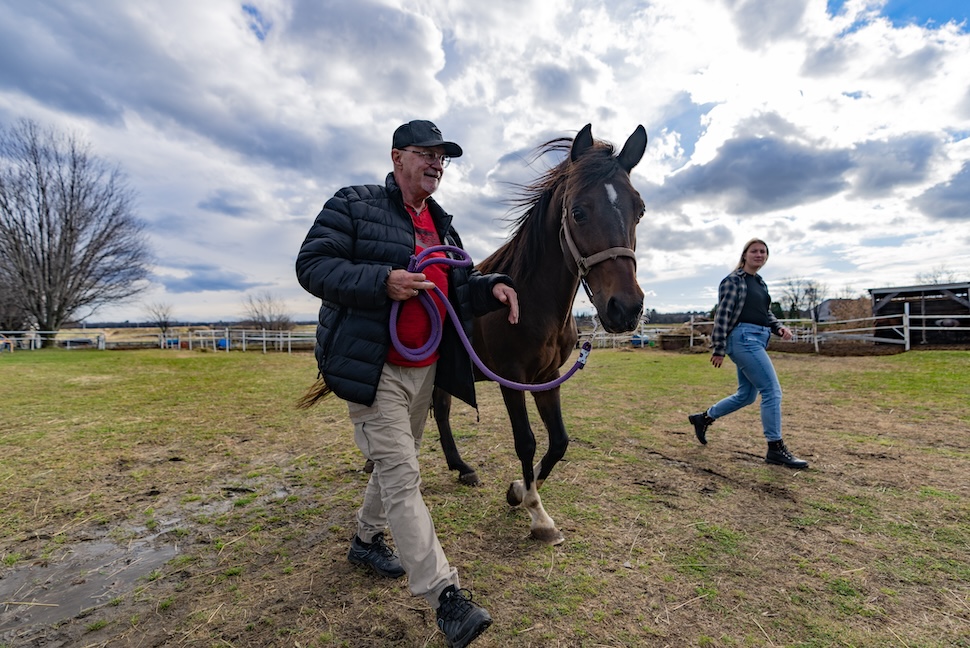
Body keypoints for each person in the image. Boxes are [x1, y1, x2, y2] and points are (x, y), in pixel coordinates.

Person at [296, 119, 519, 648]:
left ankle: (366, 540)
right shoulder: (354, 203)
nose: (438, 164)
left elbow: (459, 288)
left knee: (402, 461)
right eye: (427, 153)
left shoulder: (443, 225)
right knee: (401, 473)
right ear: (398, 157)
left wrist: (496, 289)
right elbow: (312, 265)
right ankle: (446, 597)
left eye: (444, 157)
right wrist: (382, 281)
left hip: (426, 369)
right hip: (376, 368)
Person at [688, 238, 809, 469]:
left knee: (747, 395)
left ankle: (703, 418)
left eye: (763, 252)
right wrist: (719, 348)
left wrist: (778, 327)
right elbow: (722, 314)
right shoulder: (733, 280)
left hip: (759, 337)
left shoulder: (760, 283)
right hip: (743, 339)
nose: (759, 255)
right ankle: (775, 448)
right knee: (772, 391)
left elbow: (764, 313)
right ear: (744, 255)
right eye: (754, 251)